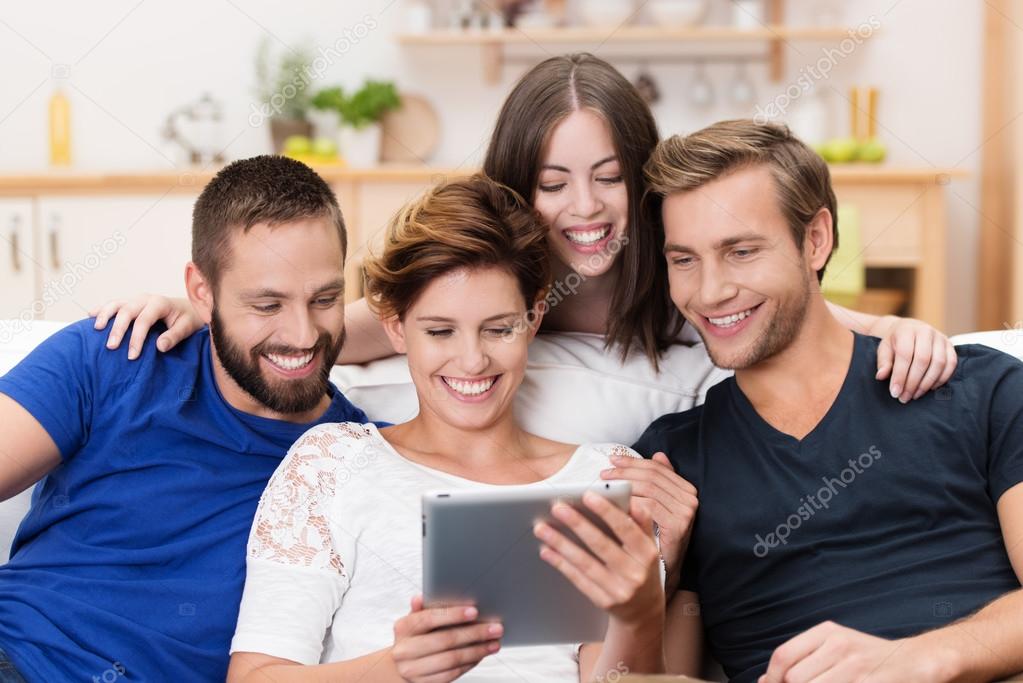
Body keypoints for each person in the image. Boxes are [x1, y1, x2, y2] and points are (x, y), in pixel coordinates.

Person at [95, 54, 955, 403]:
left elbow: (791, 314)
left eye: (609, 178)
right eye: (552, 183)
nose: (584, 208)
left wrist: (897, 331)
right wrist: (205, 310)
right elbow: (336, 329)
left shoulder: (676, 282)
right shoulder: (484, 281)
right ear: (516, 186)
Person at [225, 174, 692, 682]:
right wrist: (395, 668)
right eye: (441, 331)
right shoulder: (332, 465)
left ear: (534, 318)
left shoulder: (603, 477)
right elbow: (254, 677)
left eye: (499, 329)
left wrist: (643, 605)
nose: (472, 361)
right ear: (396, 327)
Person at [633, 119, 1023, 683]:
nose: (710, 292)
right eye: (684, 260)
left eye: (741, 251)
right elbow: (648, 674)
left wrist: (922, 659)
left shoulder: (981, 390)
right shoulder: (673, 461)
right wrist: (652, 577)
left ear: (815, 239)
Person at [0, 156, 369, 682]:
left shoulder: (357, 458)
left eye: (325, 299)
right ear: (202, 292)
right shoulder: (114, 353)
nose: (303, 335)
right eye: (267, 305)